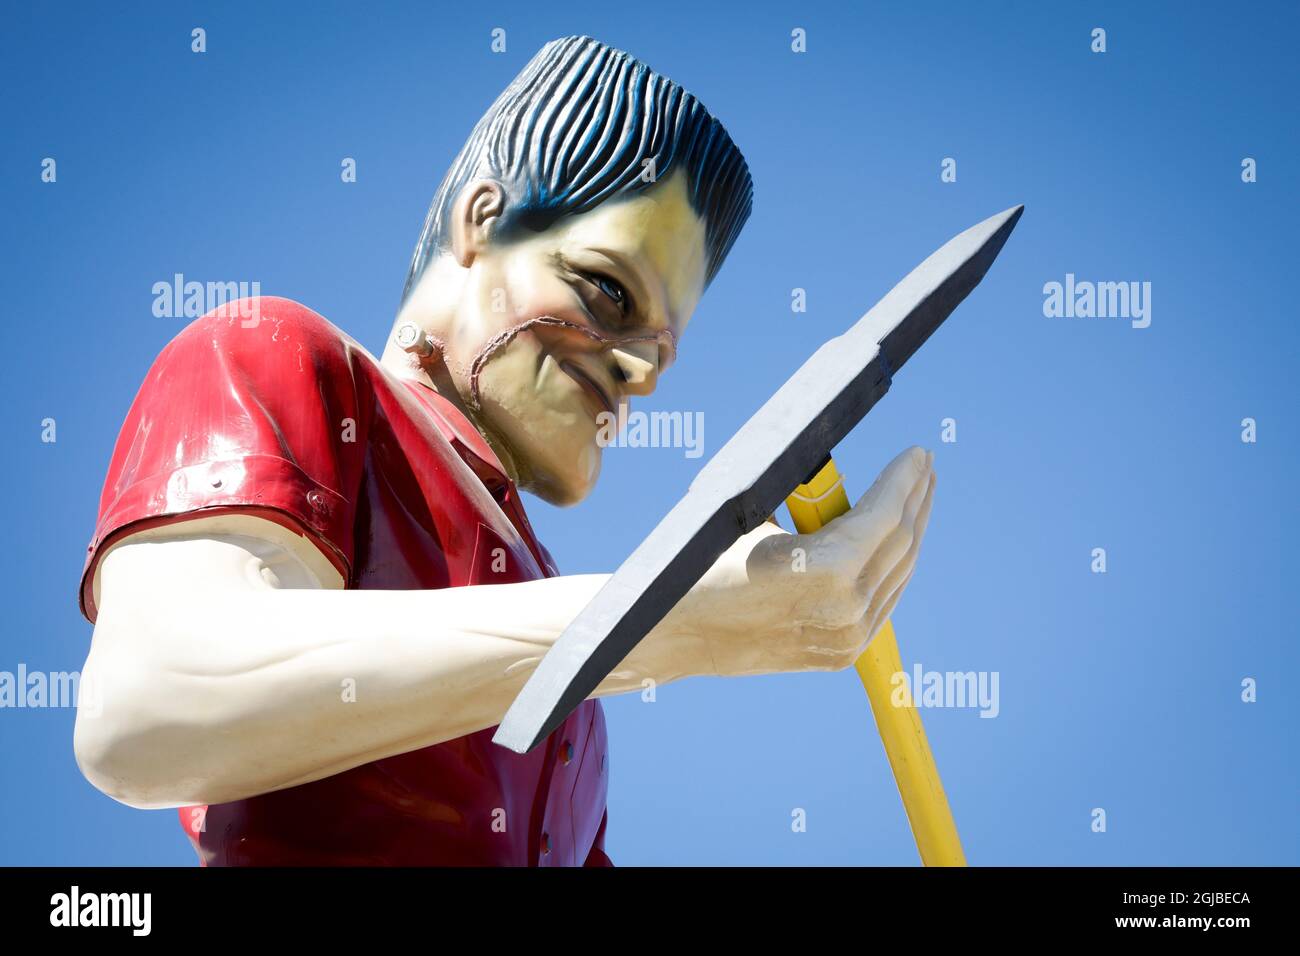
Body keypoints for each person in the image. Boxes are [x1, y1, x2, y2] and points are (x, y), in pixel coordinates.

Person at [73, 35, 936, 866]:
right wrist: (672, 620)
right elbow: (153, 698)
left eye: (662, 353)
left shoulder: (580, 723)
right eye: (607, 291)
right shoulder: (278, 353)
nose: (639, 372)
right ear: (480, 221)